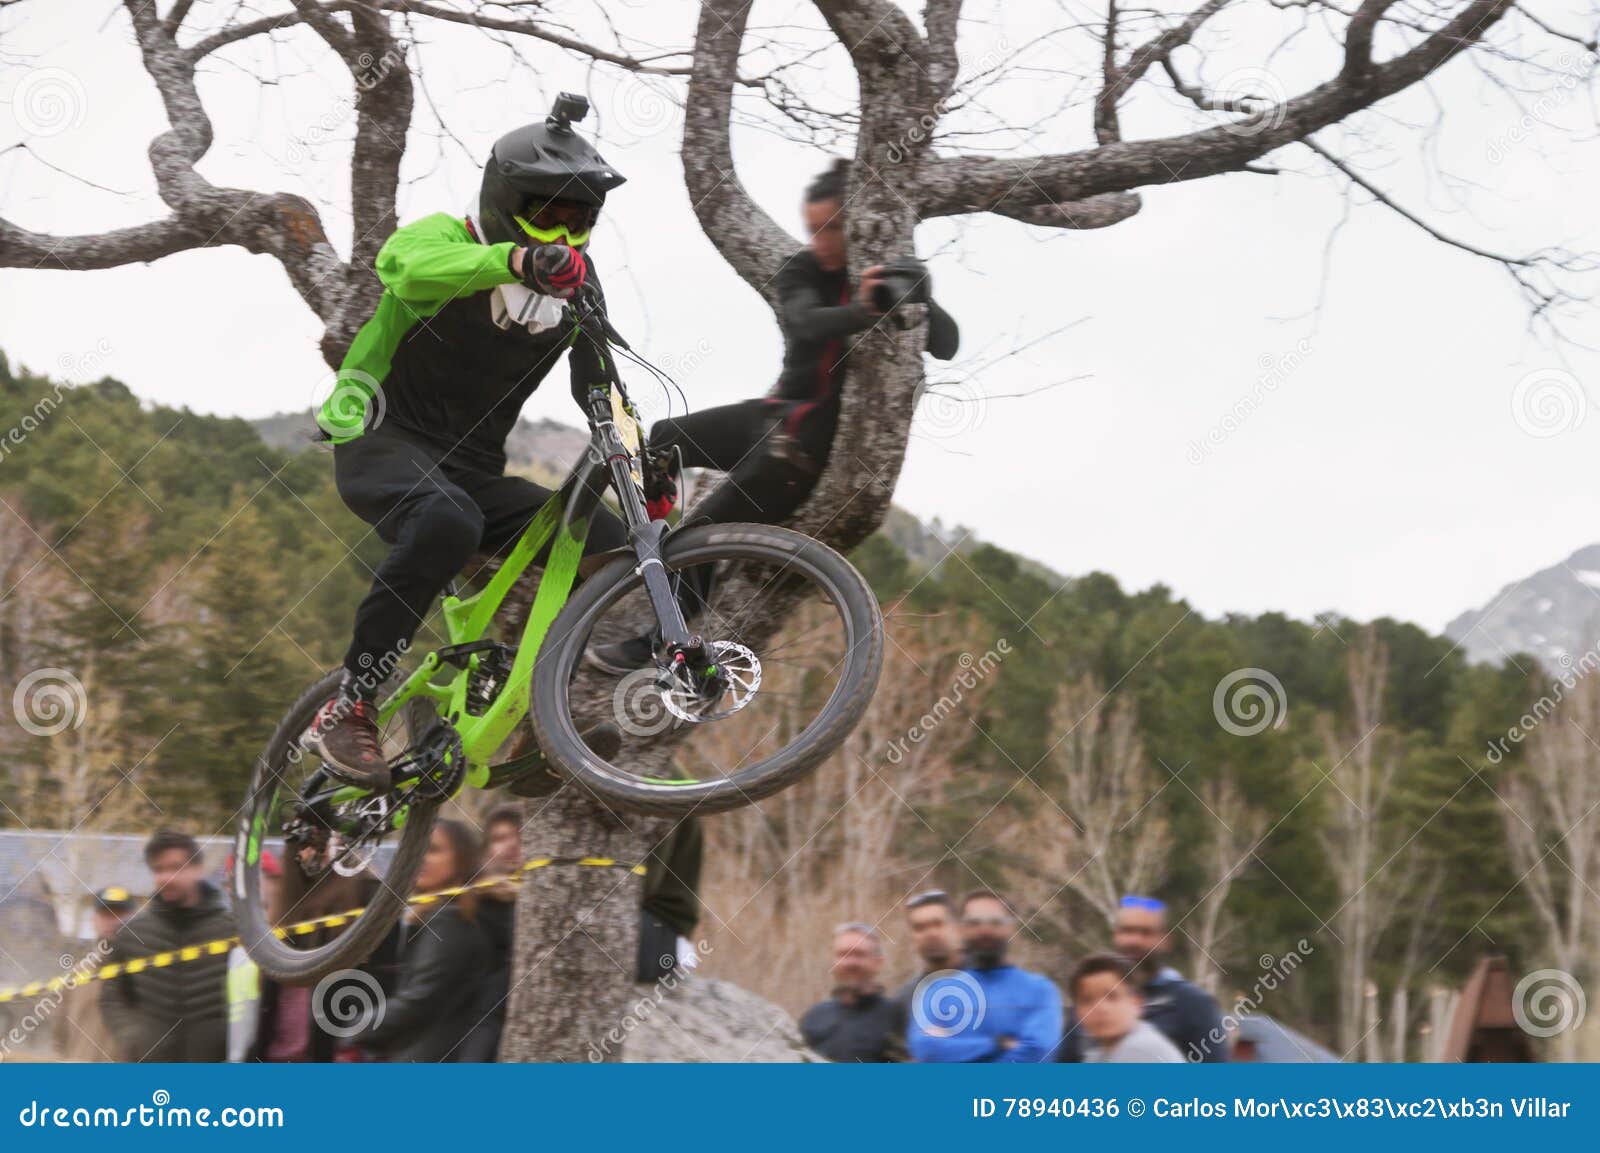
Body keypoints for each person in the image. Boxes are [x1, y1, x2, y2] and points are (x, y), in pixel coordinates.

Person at [304, 93, 630, 788]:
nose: (563, 233)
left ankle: (535, 719)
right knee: (448, 520)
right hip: (382, 436)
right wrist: (514, 263)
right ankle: (350, 702)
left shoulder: (577, 284)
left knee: (605, 542)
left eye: (580, 218)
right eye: (548, 213)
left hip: (474, 469)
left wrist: (638, 464)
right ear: (506, 200)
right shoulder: (447, 240)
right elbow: (404, 268)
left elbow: (599, 383)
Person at [586, 158, 960, 671]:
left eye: (831, 229)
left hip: (800, 448)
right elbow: (806, 323)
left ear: (857, 224)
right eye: (813, 230)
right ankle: (647, 532)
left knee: (701, 536)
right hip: (773, 415)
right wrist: (867, 310)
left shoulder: (883, 273)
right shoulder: (803, 271)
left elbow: (948, 345)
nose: (820, 241)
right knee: (664, 436)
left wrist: (922, 293)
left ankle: (658, 643)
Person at [356, 820, 490, 1062]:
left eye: (434, 850)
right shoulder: (428, 914)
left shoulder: (448, 919)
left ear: (461, 858)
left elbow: (421, 997)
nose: (421, 858)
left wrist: (358, 1027)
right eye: (417, 849)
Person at [100, 831, 235, 1062]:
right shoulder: (131, 935)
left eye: (176, 868)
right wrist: (131, 1037)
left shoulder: (234, 931)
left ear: (198, 869)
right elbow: (112, 996)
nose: (166, 877)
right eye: (159, 869)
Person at [1057, 895, 1229, 1062]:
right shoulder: (1090, 1000)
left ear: (1165, 940)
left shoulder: (1193, 1005)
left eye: (1146, 932)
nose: (1134, 941)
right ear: (1115, 936)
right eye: (1126, 931)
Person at [907, 890, 1061, 1063]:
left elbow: (1036, 1053)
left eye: (995, 922)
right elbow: (926, 1050)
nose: (984, 930)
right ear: (961, 929)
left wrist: (954, 1051)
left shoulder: (1040, 990)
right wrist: (997, 1044)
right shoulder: (937, 992)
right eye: (974, 923)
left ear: (1011, 927)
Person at [457, 805, 523, 1061]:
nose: (512, 846)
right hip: (476, 1022)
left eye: (521, 836)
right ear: (486, 850)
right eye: (499, 839)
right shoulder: (470, 899)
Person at [799, 922, 905, 1062]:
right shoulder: (814, 1017)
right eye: (843, 955)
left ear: (878, 963)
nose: (850, 963)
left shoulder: (897, 1016)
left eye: (859, 954)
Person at [58, 886, 135, 1062]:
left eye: (121, 914)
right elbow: (60, 1038)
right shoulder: (77, 975)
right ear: (94, 920)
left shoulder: (149, 971)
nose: (113, 921)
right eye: (106, 914)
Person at [1069, 953, 1184, 1063]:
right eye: (1087, 1000)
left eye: (1112, 997)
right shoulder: (1098, 1055)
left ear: (1137, 1003)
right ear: (1077, 1011)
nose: (1100, 1008)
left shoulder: (1142, 1049)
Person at [892, 888, 960, 1015]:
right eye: (920, 928)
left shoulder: (986, 981)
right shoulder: (905, 1001)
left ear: (957, 929)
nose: (931, 934)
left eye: (938, 924)